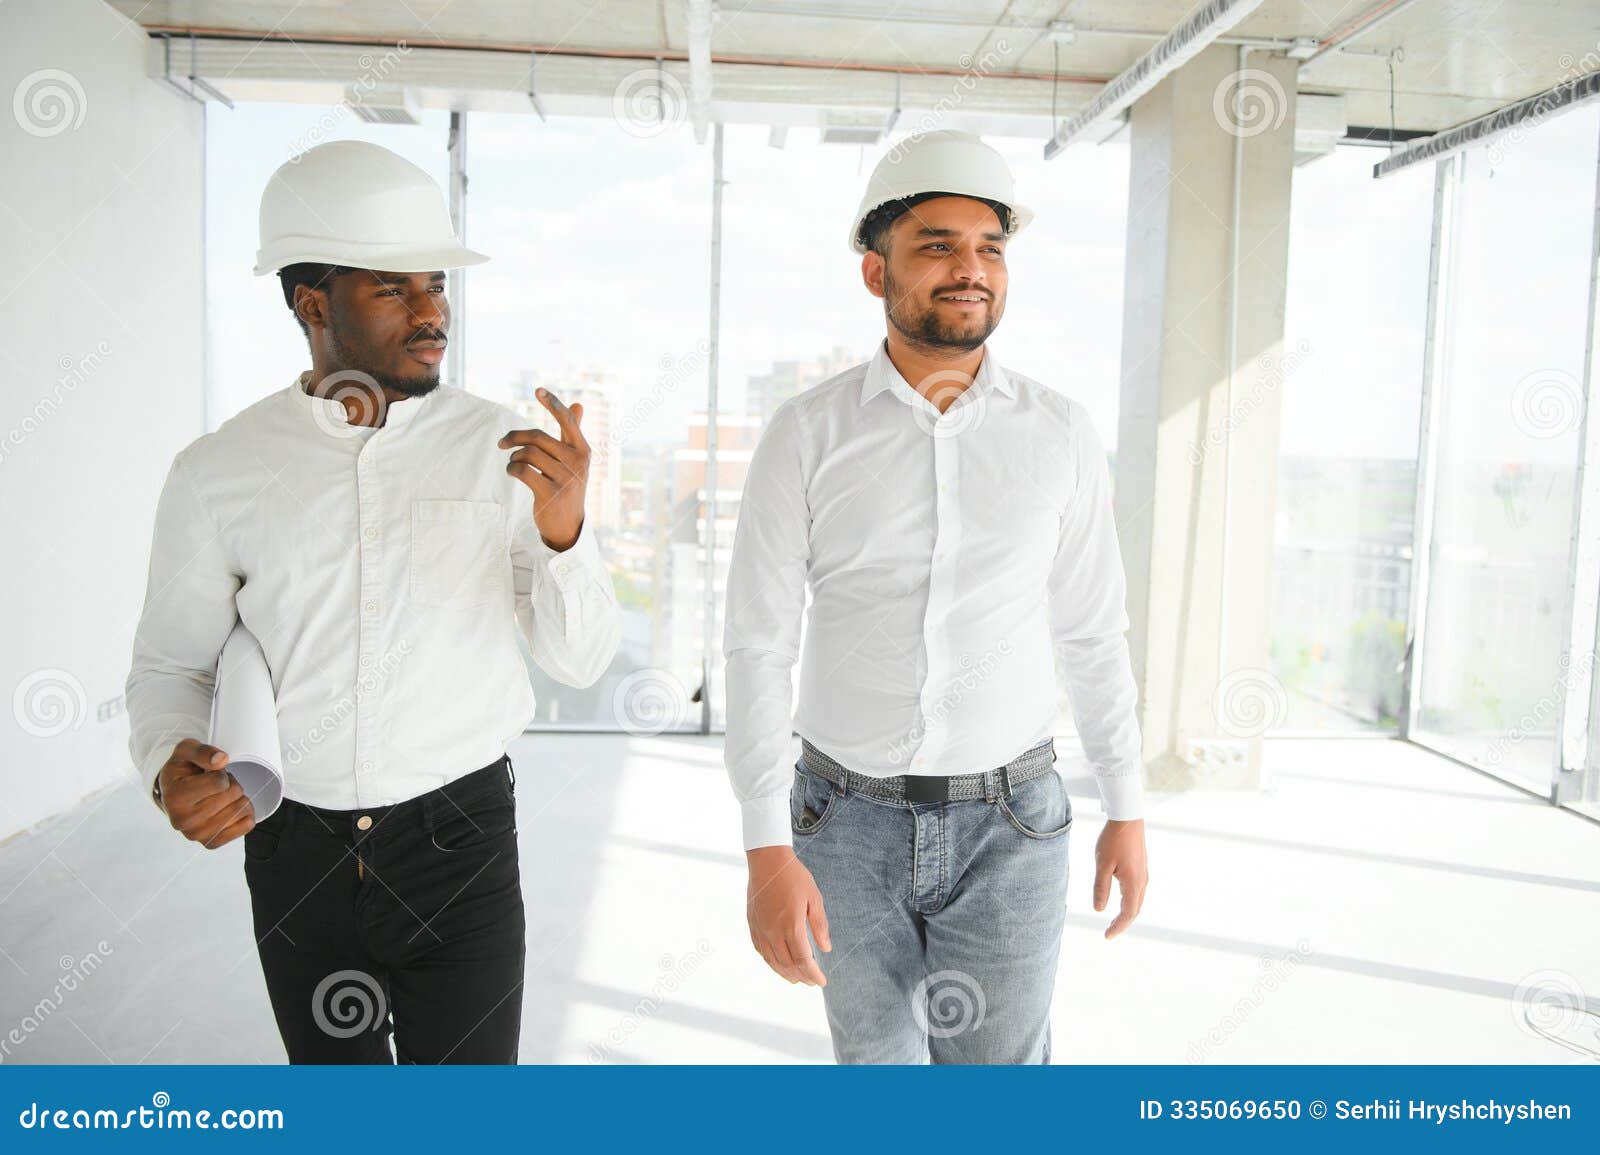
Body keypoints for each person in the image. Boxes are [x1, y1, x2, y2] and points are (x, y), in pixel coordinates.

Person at [125, 139, 621, 1064]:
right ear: (314, 304)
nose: (433, 313)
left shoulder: (504, 447)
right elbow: (173, 666)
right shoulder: (217, 473)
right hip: (293, 850)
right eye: (394, 290)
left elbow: (582, 658)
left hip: (458, 841)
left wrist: (564, 533)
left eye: (435, 286)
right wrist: (167, 764)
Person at [724, 130, 1150, 1064]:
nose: (971, 269)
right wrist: (765, 848)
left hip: (1014, 824)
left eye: (990, 248)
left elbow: (1092, 628)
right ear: (875, 273)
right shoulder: (805, 435)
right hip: (841, 822)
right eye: (938, 245)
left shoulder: (1061, 433)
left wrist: (1127, 801)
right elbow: (758, 644)